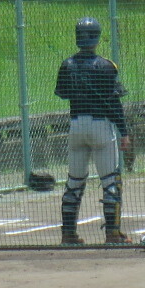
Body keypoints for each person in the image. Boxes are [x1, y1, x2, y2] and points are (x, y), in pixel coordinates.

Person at [54, 16, 133, 247]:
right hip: (101, 126)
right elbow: (115, 103)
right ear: (97, 38)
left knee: (74, 181)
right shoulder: (107, 66)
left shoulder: (67, 65)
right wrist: (124, 132)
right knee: (110, 181)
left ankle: (68, 234)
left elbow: (64, 93)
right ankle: (112, 234)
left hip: (76, 125)